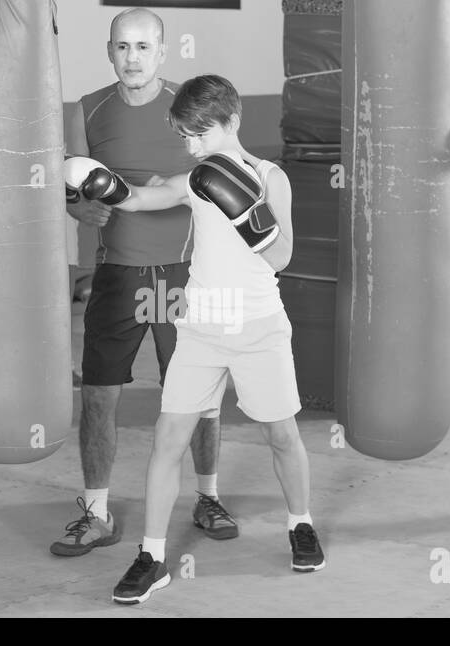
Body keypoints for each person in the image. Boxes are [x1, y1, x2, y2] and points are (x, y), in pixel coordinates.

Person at [66, 74, 325, 605]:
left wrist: (244, 210)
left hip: (257, 326)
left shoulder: (271, 177)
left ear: (231, 121)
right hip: (202, 327)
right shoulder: (195, 176)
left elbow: (281, 258)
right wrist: (104, 185)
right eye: (184, 135)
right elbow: (141, 199)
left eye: (199, 135)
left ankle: (300, 524)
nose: (191, 145)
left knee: (281, 436)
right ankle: (153, 556)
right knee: (168, 441)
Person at [52, 8, 239, 557]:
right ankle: (95, 512)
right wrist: (79, 211)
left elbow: (224, 172)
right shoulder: (88, 109)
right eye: (121, 47)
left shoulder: (186, 110)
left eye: (142, 47)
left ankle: (207, 496)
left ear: (162, 51)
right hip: (117, 274)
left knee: (200, 399)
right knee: (98, 397)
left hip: (186, 274)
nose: (131, 58)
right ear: (110, 51)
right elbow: (69, 182)